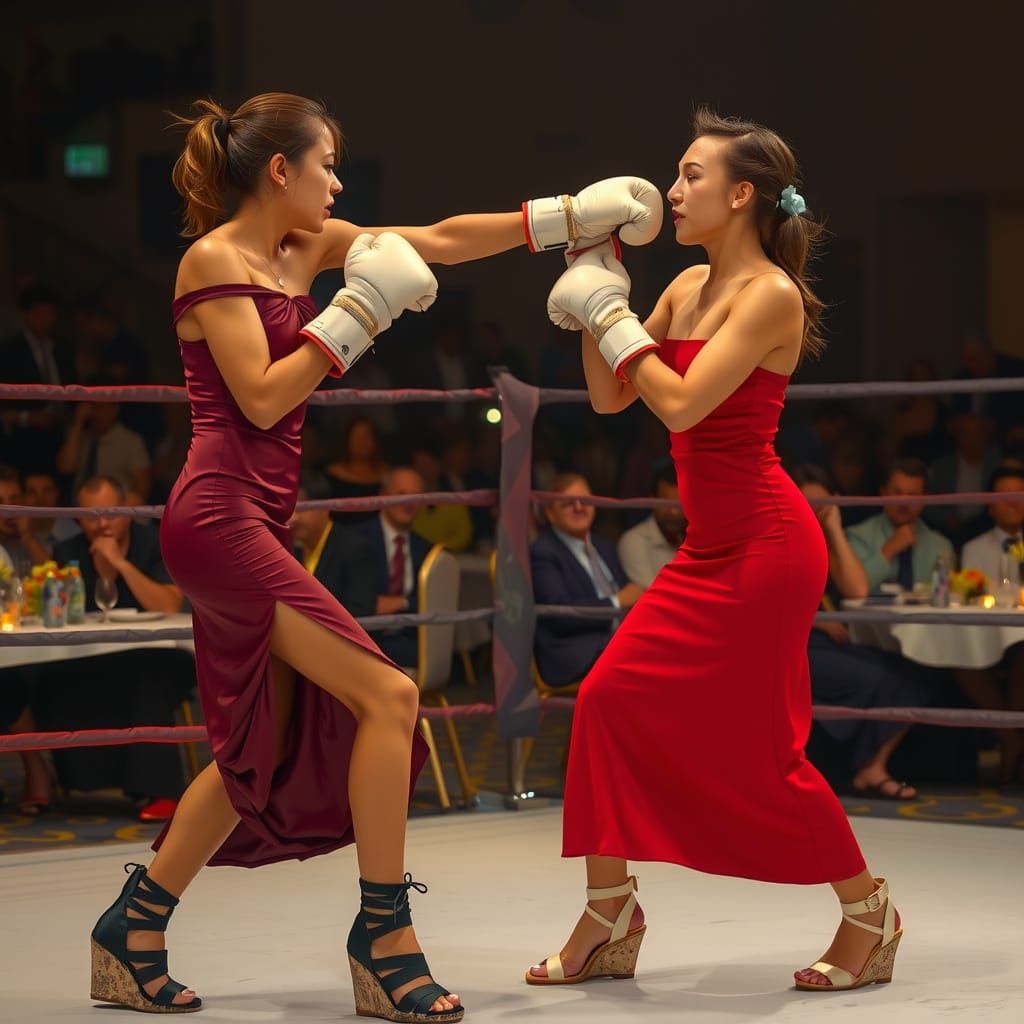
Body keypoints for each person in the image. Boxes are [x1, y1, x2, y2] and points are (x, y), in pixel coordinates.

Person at [87, 89, 663, 1020]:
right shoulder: (211, 260)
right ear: (281, 170)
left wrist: (565, 217)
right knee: (390, 694)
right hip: (219, 515)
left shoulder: (302, 248)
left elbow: (434, 238)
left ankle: (134, 926)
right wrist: (356, 314)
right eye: (327, 163)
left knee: (256, 753)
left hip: (258, 522)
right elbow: (266, 398)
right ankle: (384, 933)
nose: (338, 180)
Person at [527, 108, 902, 994]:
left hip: (769, 547)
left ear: (742, 194)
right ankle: (610, 907)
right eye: (676, 171)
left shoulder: (766, 291)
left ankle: (868, 912)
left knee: (762, 749)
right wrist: (596, 288)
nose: (673, 189)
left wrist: (612, 317)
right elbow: (612, 398)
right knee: (608, 699)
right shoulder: (685, 288)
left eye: (692, 175)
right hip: (709, 548)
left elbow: (685, 403)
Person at [33, 475, 190, 814]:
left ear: (129, 512)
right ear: (77, 518)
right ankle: (81, 780)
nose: (103, 525)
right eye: (92, 516)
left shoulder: (155, 541)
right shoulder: (67, 551)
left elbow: (168, 604)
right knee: (49, 678)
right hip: (94, 653)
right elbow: (61, 614)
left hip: (159, 653)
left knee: (147, 675)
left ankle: (161, 791)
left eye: (111, 514)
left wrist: (120, 564)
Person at [792, 465, 928, 800]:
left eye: (822, 505)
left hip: (827, 643)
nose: (813, 512)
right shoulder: (776, 538)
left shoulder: (828, 540)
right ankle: (863, 766)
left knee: (913, 672)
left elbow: (856, 589)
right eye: (805, 504)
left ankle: (872, 766)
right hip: (791, 644)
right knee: (876, 675)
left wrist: (833, 528)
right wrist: (816, 619)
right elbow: (760, 600)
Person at [531, 472, 642, 686]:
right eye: (567, 504)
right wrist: (617, 602)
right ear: (550, 514)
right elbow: (560, 615)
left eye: (586, 500)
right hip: (578, 649)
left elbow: (631, 595)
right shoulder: (543, 552)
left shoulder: (604, 546)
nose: (579, 507)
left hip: (620, 639)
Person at [955, 466, 1024, 784]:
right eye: (1004, 497)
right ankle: (1010, 738)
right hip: (985, 636)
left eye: (1018, 496)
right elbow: (971, 594)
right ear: (989, 504)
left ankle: (1011, 748)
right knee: (961, 661)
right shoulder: (973, 547)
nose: (1012, 504)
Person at [354, 466, 433, 669]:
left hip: (408, 645)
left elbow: (436, 600)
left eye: (415, 497)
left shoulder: (427, 550)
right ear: (382, 496)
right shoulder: (354, 540)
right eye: (400, 494)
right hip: (361, 641)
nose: (407, 503)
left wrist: (402, 602)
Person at [845, 458, 954, 593]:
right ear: (883, 493)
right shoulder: (858, 536)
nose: (904, 502)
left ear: (925, 499)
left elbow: (944, 599)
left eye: (913, 495)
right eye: (897, 493)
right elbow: (852, 590)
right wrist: (889, 550)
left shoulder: (941, 547)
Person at [289, 472, 376, 617]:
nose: (293, 517)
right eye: (290, 507)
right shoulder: (289, 545)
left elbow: (360, 611)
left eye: (301, 508)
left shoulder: (355, 548)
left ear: (324, 507)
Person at [616, 458, 687, 586]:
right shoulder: (634, 541)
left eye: (679, 505)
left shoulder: (694, 537)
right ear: (652, 500)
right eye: (665, 504)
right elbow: (653, 597)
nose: (673, 512)